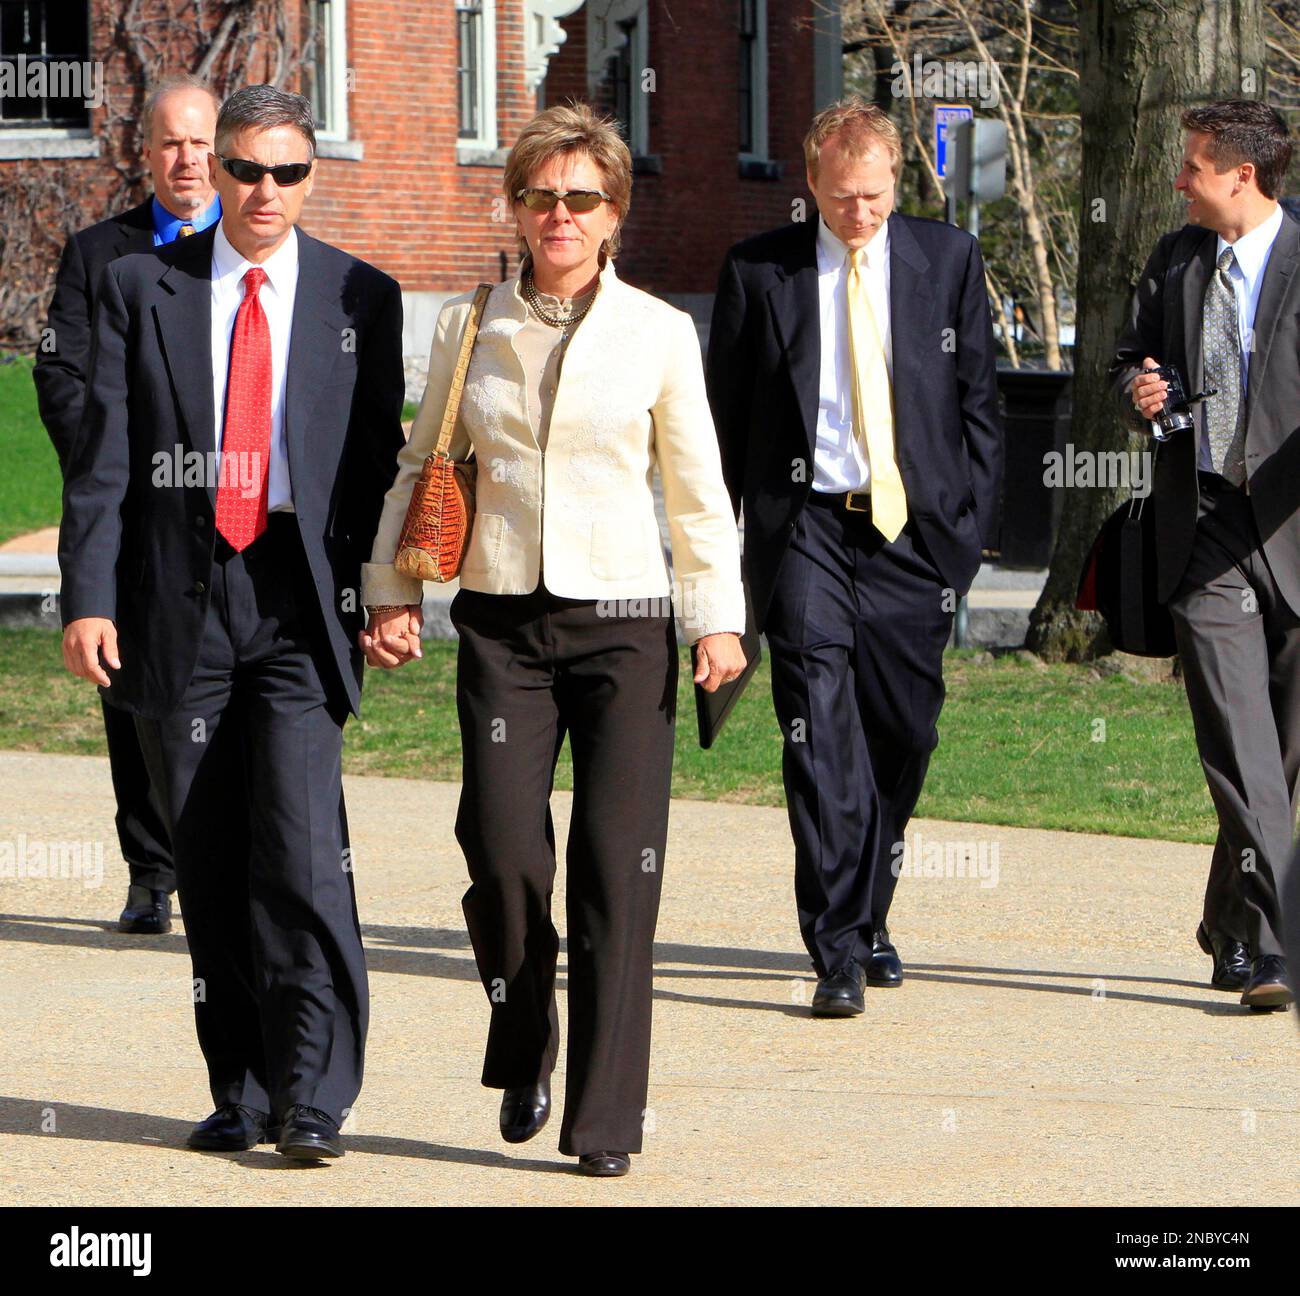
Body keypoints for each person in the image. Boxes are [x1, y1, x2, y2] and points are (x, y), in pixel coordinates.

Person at [361, 103, 746, 1177]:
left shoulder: (660, 333)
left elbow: (697, 495)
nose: (558, 215)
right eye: (539, 195)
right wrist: (390, 587)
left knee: (618, 873)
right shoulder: (469, 321)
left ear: (614, 212)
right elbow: (417, 464)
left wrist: (718, 620)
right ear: (516, 205)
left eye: (580, 197)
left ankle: (605, 1121)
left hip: (625, 626)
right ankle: (522, 1033)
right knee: (500, 849)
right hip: (499, 623)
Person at [58, 85, 406, 1155]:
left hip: (299, 603)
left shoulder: (361, 296)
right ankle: (242, 1089)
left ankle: (314, 1093)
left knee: (301, 853)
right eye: (244, 170)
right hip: (181, 598)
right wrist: (90, 597)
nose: (263, 191)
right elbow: (105, 460)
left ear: (311, 177)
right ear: (214, 174)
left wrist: (389, 592)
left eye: (286, 172)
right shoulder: (138, 287)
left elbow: (377, 464)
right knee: (207, 859)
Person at [706, 98, 1002, 1018]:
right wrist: (720, 549)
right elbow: (722, 422)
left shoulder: (946, 260)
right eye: (841, 198)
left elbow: (979, 404)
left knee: (903, 735)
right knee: (819, 733)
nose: (859, 214)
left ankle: (870, 911)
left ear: (896, 183)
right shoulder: (761, 272)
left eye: (873, 196)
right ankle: (834, 946)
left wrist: (963, 537)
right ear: (811, 183)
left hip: (913, 534)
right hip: (805, 531)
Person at [1112, 99, 1298, 1010]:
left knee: (1282, 759)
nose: (1178, 179)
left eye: (1192, 164)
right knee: (1240, 744)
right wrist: (1140, 386)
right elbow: (1126, 357)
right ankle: (1273, 948)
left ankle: (1230, 921)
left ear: (1242, 175)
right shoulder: (1175, 259)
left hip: (1297, 529)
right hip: (1205, 530)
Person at [34, 72, 223, 936]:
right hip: (139, 519)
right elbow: (63, 377)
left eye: (201, 141)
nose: (187, 159)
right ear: (145, 153)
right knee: (133, 691)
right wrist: (129, 464)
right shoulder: (97, 254)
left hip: (235, 512)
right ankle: (153, 871)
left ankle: (238, 857)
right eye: (171, 143)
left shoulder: (256, 251)